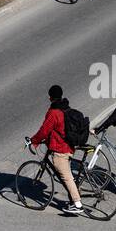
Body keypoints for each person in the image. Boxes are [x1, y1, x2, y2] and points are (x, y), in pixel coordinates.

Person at [28, 84, 83, 214]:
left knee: (66, 177)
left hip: (60, 149)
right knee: (67, 174)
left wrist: (33, 140)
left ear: (50, 97)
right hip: (68, 146)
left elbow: (44, 131)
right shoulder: (65, 108)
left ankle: (77, 204)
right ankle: (74, 197)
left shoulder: (54, 113)